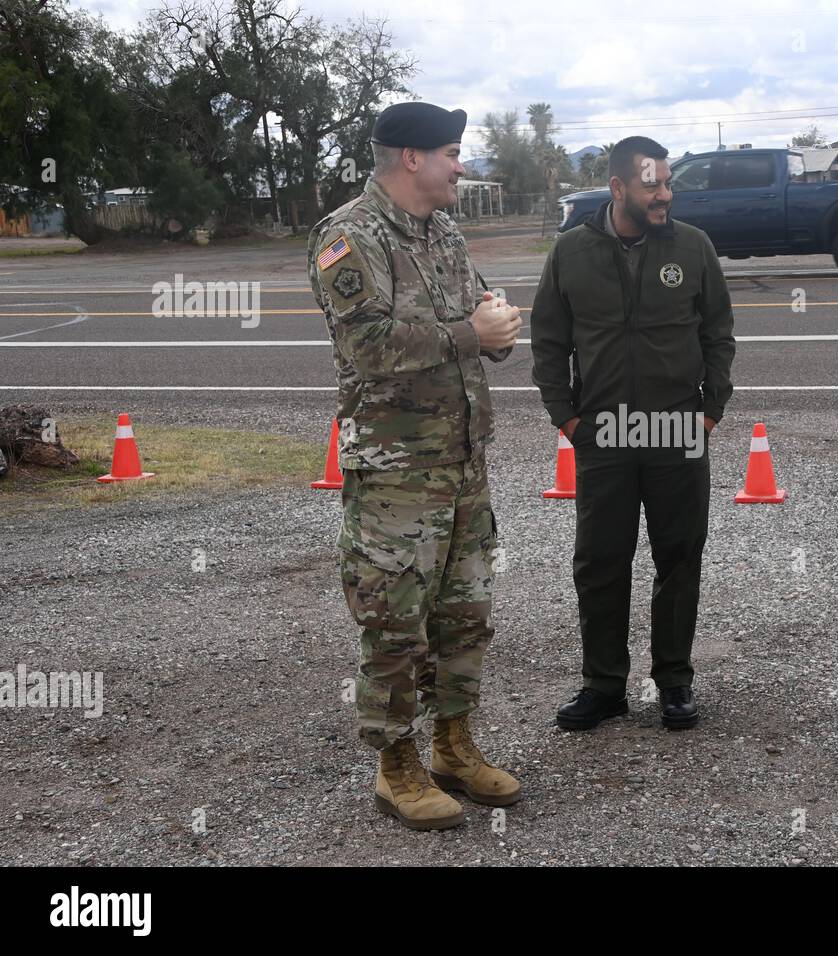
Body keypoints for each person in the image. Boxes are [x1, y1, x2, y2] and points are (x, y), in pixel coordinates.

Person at [307, 102, 523, 830]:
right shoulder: (347, 237)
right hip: (397, 473)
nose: (461, 166)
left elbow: (474, 315)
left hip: (463, 462)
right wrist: (470, 333)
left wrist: (493, 331)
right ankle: (395, 766)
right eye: (453, 153)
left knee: (465, 615)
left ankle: (454, 745)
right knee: (396, 623)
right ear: (412, 158)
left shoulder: (446, 233)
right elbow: (367, 345)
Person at [530, 135, 736, 731]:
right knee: (600, 561)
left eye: (668, 183)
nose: (664, 194)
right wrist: (566, 418)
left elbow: (718, 333)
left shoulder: (693, 247)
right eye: (652, 185)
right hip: (604, 434)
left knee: (678, 558)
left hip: (677, 429)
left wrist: (710, 410)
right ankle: (604, 685)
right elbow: (548, 342)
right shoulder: (570, 252)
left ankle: (674, 681)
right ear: (618, 188)